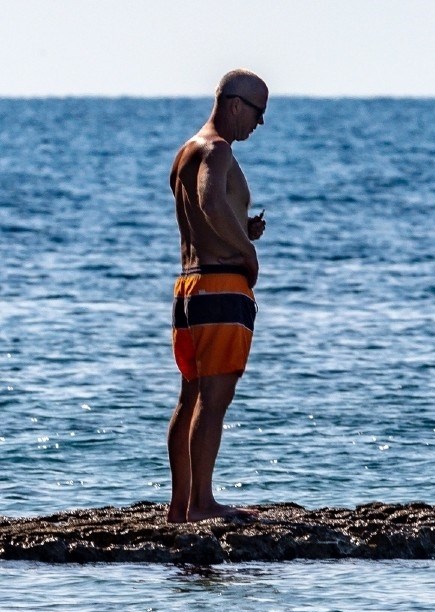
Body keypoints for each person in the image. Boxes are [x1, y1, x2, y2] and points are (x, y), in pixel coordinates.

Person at [166, 69, 269, 522]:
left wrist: (241, 228)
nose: (260, 123)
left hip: (189, 286)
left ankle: (180, 504)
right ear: (233, 104)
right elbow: (209, 202)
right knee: (214, 396)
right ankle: (203, 504)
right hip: (221, 287)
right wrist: (246, 253)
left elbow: (204, 214)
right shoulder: (219, 150)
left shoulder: (186, 152)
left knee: (190, 396)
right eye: (258, 112)